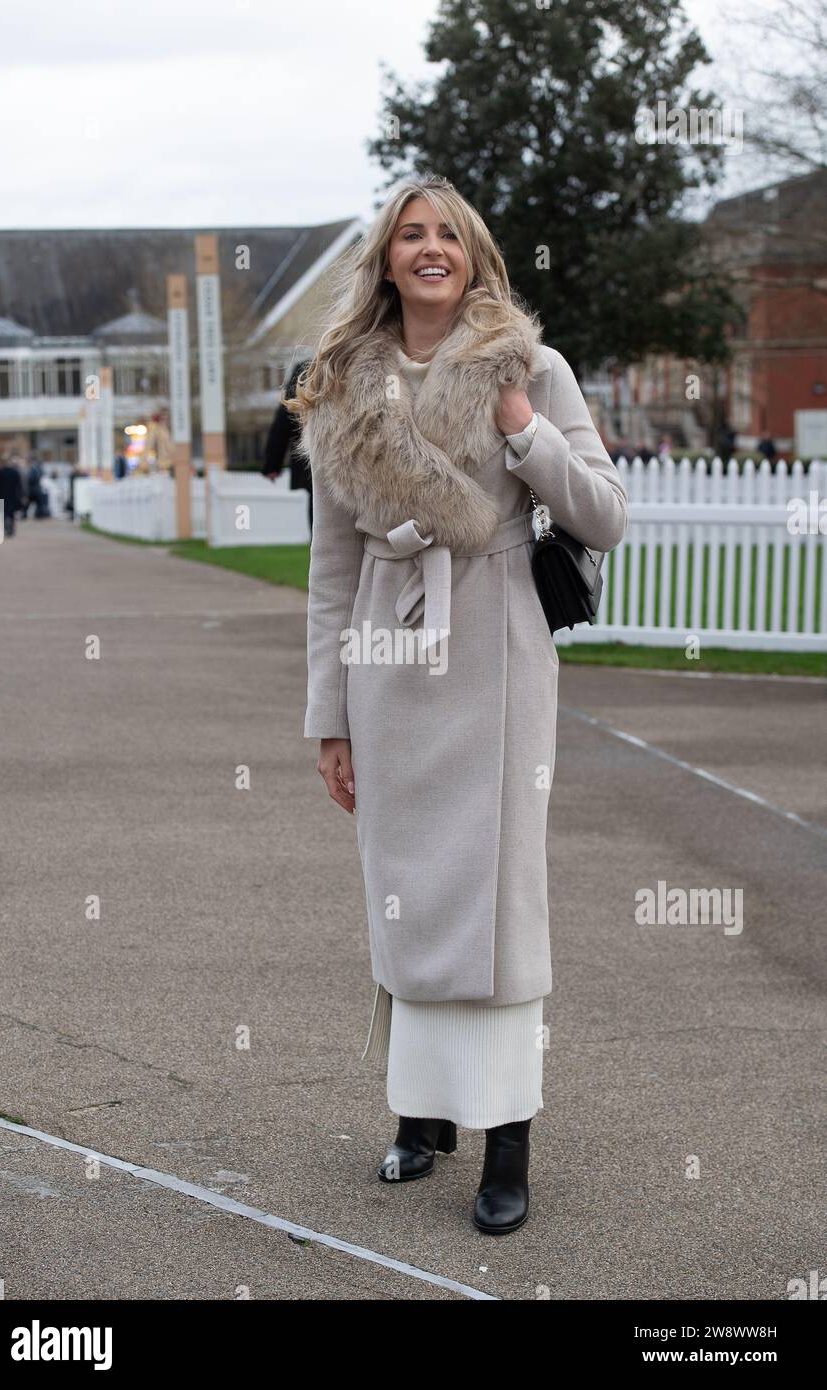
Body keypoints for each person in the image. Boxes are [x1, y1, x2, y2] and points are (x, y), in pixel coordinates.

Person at [289, 175, 628, 1235]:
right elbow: (330, 567)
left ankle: (505, 1142)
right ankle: (421, 1113)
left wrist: (524, 430)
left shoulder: (530, 368)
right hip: (388, 664)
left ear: (473, 255)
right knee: (404, 889)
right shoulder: (344, 381)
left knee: (493, 897)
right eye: (407, 236)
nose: (427, 248)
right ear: (386, 260)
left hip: (494, 658)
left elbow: (604, 515)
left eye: (446, 234)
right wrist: (327, 718)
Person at [263, 358, 314, 533]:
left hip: (311, 461)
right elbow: (283, 423)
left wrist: (272, 464)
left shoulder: (303, 374)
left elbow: (282, 424)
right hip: (322, 459)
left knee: (318, 512)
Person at [0, 455, 26, 537]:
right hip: (13, 496)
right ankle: (11, 528)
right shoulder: (14, 472)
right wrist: (21, 495)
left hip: (2, 496)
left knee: (4, 513)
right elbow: (19, 486)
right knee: (12, 513)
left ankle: (7, 528)